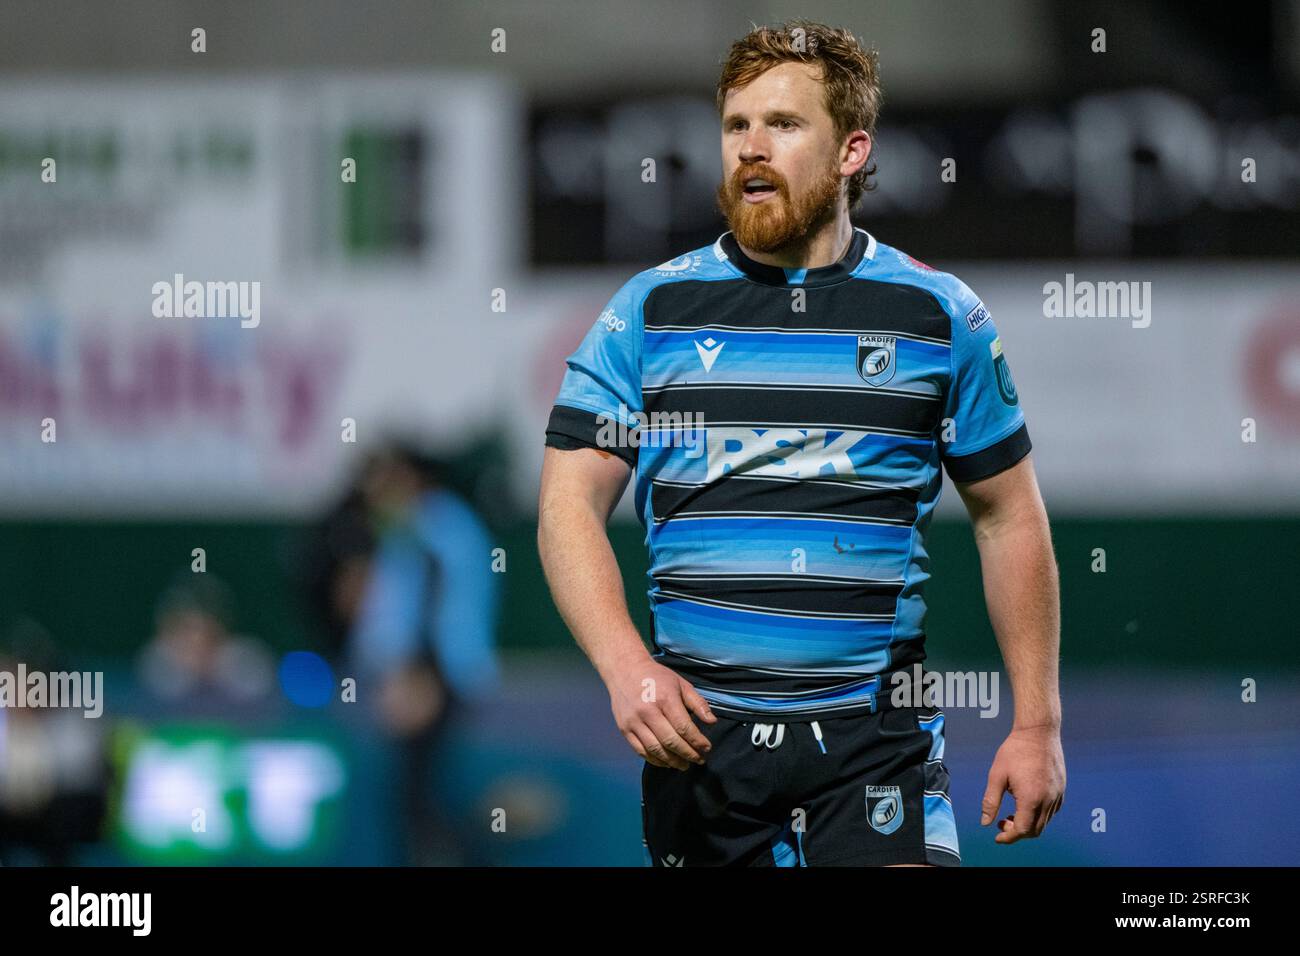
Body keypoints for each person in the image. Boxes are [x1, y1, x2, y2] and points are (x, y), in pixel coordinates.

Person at [537, 19, 1064, 866]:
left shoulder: (939, 316)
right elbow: (568, 503)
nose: (751, 147)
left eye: (783, 125)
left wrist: (1036, 723)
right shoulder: (646, 312)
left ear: (852, 151)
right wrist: (624, 665)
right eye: (736, 125)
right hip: (702, 744)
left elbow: (1010, 518)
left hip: (878, 735)